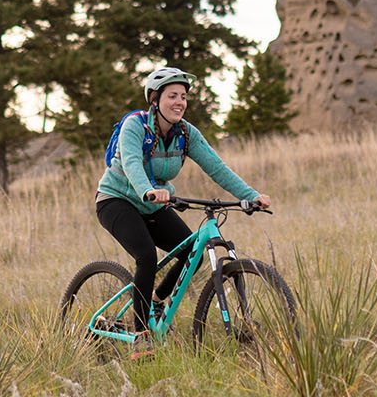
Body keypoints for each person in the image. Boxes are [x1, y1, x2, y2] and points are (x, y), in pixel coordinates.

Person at [94, 67, 274, 335]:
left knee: (192, 253)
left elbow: (217, 167)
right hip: (116, 200)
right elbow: (132, 163)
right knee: (146, 256)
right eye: (172, 96)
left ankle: (156, 301)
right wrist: (148, 190)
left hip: (153, 204)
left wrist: (251, 196)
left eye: (183, 97)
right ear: (155, 99)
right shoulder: (136, 125)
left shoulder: (186, 134)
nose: (179, 102)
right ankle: (142, 334)